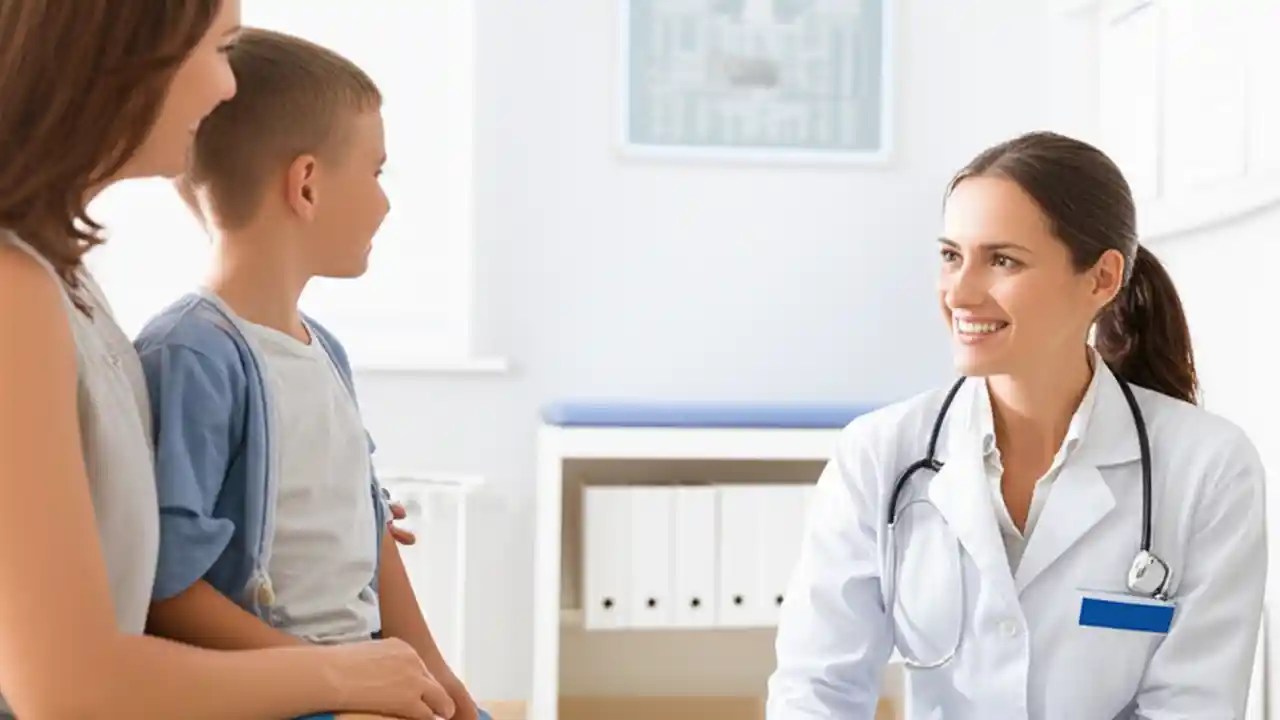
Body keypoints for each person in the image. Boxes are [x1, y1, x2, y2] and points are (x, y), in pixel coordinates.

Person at [0, 2, 452, 718]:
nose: (227, 89)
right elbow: (69, 687)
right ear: (127, 50)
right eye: (219, 48)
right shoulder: (20, 292)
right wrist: (344, 677)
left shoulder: (65, 282)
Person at [766, 131, 1266, 719]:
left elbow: (1193, 709)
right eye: (951, 255)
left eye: (1002, 260)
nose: (960, 291)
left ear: (1102, 279)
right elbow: (816, 691)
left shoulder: (1207, 468)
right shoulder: (880, 454)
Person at [135, 27, 483, 720]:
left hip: (352, 674)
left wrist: (443, 684)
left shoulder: (323, 350)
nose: (386, 203)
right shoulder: (193, 357)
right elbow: (169, 589)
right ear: (307, 184)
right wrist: (333, 674)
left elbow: (372, 526)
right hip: (282, 690)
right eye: (377, 171)